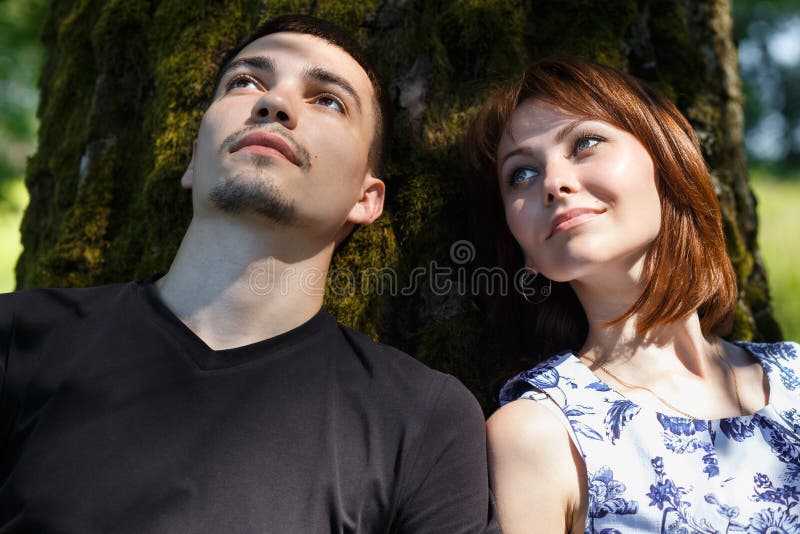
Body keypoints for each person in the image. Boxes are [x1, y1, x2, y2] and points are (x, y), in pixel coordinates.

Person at [0, 15, 499, 533]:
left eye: (328, 99)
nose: (273, 104)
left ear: (365, 198)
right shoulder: (21, 339)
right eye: (245, 82)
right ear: (194, 160)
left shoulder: (421, 422)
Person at [466, 56, 800, 533]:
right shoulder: (540, 434)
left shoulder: (796, 378)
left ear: (667, 164)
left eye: (585, 143)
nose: (554, 183)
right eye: (521, 174)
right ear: (525, 253)